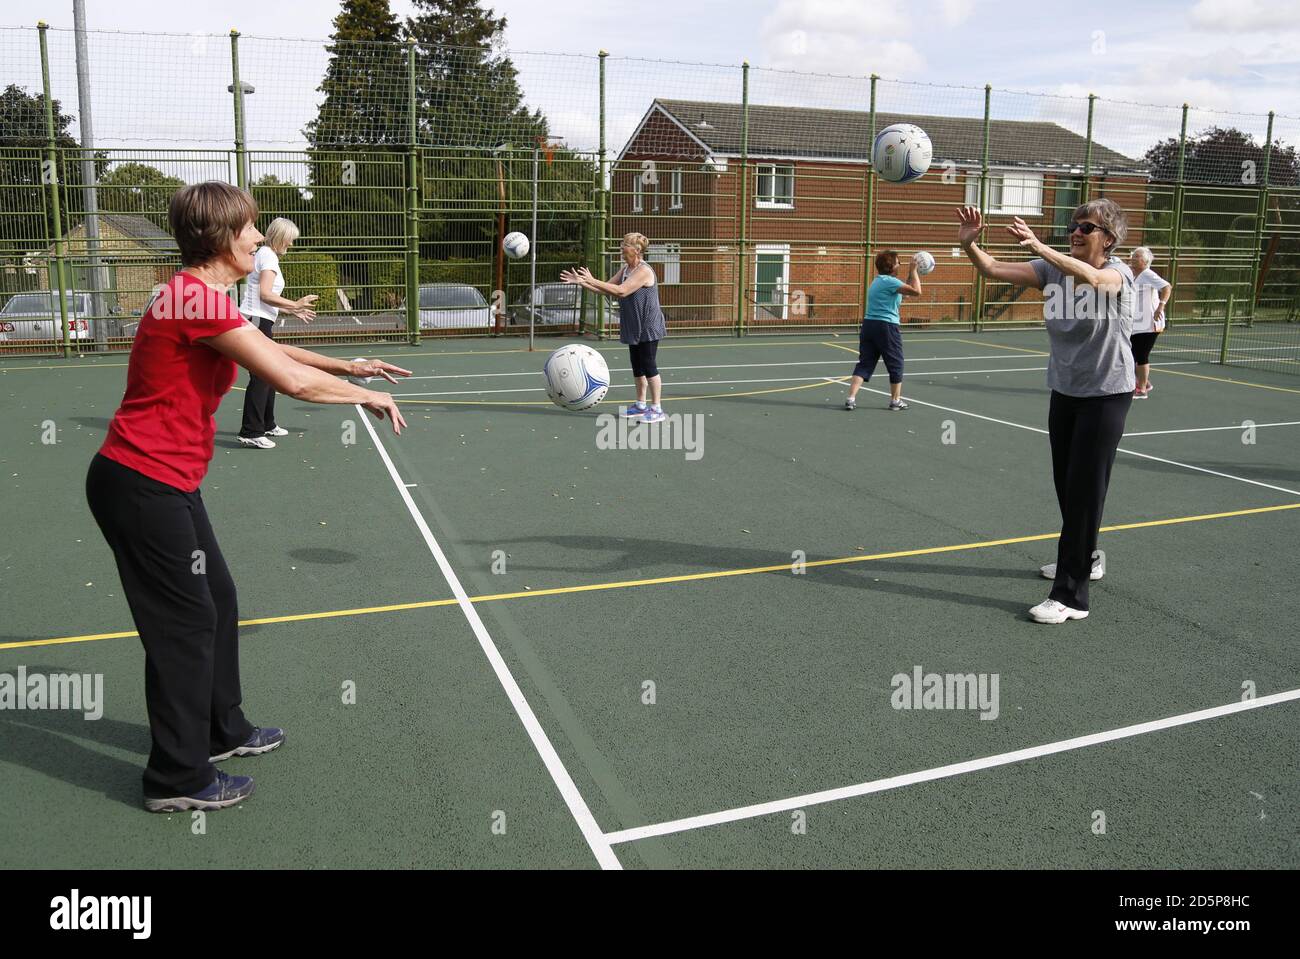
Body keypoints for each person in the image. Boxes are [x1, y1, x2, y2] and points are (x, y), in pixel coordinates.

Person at [86, 181, 410, 812]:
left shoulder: (200, 297)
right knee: (184, 626)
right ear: (221, 239)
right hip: (141, 484)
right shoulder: (191, 299)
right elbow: (287, 379)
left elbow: (267, 348)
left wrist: (352, 367)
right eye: (251, 230)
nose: (260, 239)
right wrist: (366, 396)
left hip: (164, 481)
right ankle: (175, 779)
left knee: (218, 599)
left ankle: (221, 729)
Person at [957, 198, 1135, 624]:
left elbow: (1093, 277)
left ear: (1108, 239)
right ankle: (1086, 557)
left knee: (1085, 490)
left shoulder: (1118, 272)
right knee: (1066, 484)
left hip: (1106, 393)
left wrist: (1038, 246)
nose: (1076, 231)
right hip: (1066, 391)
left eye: (1087, 227)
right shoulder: (1052, 270)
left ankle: (1072, 597)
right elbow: (993, 269)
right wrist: (968, 246)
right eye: (1074, 224)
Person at [560, 232, 667, 423]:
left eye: (625, 244)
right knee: (637, 366)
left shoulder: (644, 271)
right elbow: (605, 288)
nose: (621, 247)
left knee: (649, 365)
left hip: (648, 324)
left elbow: (621, 291)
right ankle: (641, 405)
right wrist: (582, 282)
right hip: (633, 325)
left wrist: (592, 279)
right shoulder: (626, 269)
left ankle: (657, 408)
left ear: (636, 250)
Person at [238, 217, 317, 448]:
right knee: (262, 375)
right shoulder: (268, 256)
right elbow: (264, 294)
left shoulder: (265, 254)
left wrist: (293, 311)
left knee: (269, 373)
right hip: (256, 321)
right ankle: (251, 431)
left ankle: (267, 424)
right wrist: (295, 304)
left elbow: (267, 299)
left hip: (260, 319)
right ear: (281, 237)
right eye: (290, 240)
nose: (291, 245)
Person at [844, 250, 921, 411]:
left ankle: (851, 398)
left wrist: (910, 275)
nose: (900, 264)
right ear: (891, 266)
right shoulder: (890, 282)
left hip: (869, 326)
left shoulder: (879, 281)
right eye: (898, 262)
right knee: (896, 363)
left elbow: (905, 293)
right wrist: (914, 271)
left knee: (865, 363)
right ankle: (895, 400)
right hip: (886, 327)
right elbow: (916, 292)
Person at [1128, 246, 1171, 399]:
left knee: (1141, 355)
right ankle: (1144, 383)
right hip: (1136, 324)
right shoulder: (1132, 274)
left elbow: (1166, 287)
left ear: (1145, 261)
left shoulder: (1148, 274)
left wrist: (1161, 306)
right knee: (1129, 355)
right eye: (1133, 255)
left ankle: (1142, 390)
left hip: (1150, 323)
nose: (1133, 258)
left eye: (1137, 256)